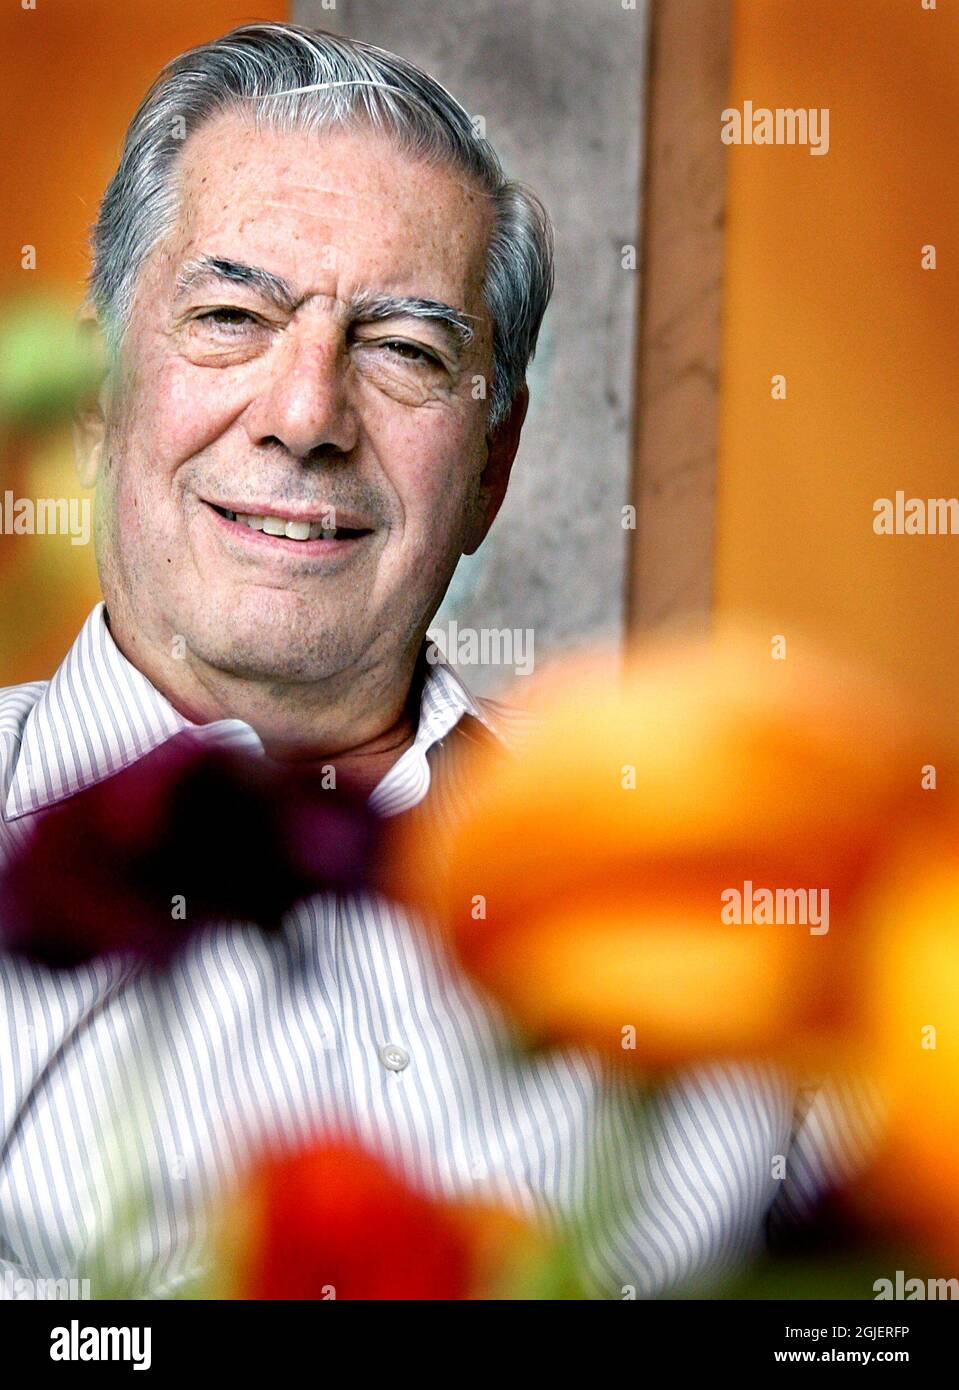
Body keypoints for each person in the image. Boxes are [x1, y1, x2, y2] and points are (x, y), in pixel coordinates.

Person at [0, 22, 856, 1298]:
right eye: (232, 316)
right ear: (97, 402)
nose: (304, 417)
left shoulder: (693, 888)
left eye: (404, 348)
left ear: (491, 471)